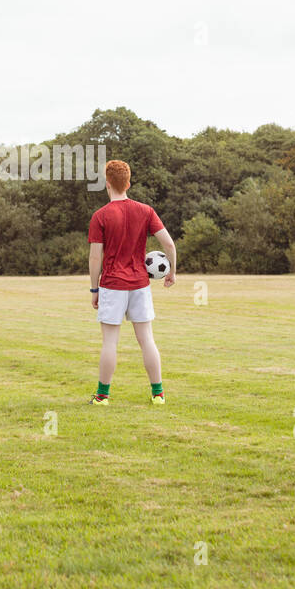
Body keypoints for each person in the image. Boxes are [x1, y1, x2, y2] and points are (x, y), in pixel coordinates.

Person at [87, 159, 176, 405]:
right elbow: (168, 244)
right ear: (128, 183)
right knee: (146, 339)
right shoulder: (146, 211)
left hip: (112, 284)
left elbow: (96, 257)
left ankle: (102, 396)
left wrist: (94, 289)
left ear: (107, 184)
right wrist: (172, 272)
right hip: (139, 284)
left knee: (110, 342)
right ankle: (158, 394)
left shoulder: (100, 216)